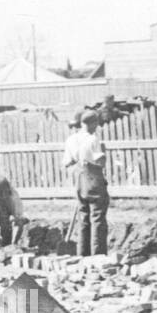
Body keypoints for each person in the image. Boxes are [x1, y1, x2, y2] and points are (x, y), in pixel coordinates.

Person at [63, 109, 109, 256]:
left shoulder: (70, 140)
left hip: (79, 180)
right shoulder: (93, 138)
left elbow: (67, 163)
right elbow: (100, 162)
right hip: (93, 179)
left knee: (83, 218)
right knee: (97, 217)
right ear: (93, 123)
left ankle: (82, 254)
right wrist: (104, 152)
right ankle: (98, 255)